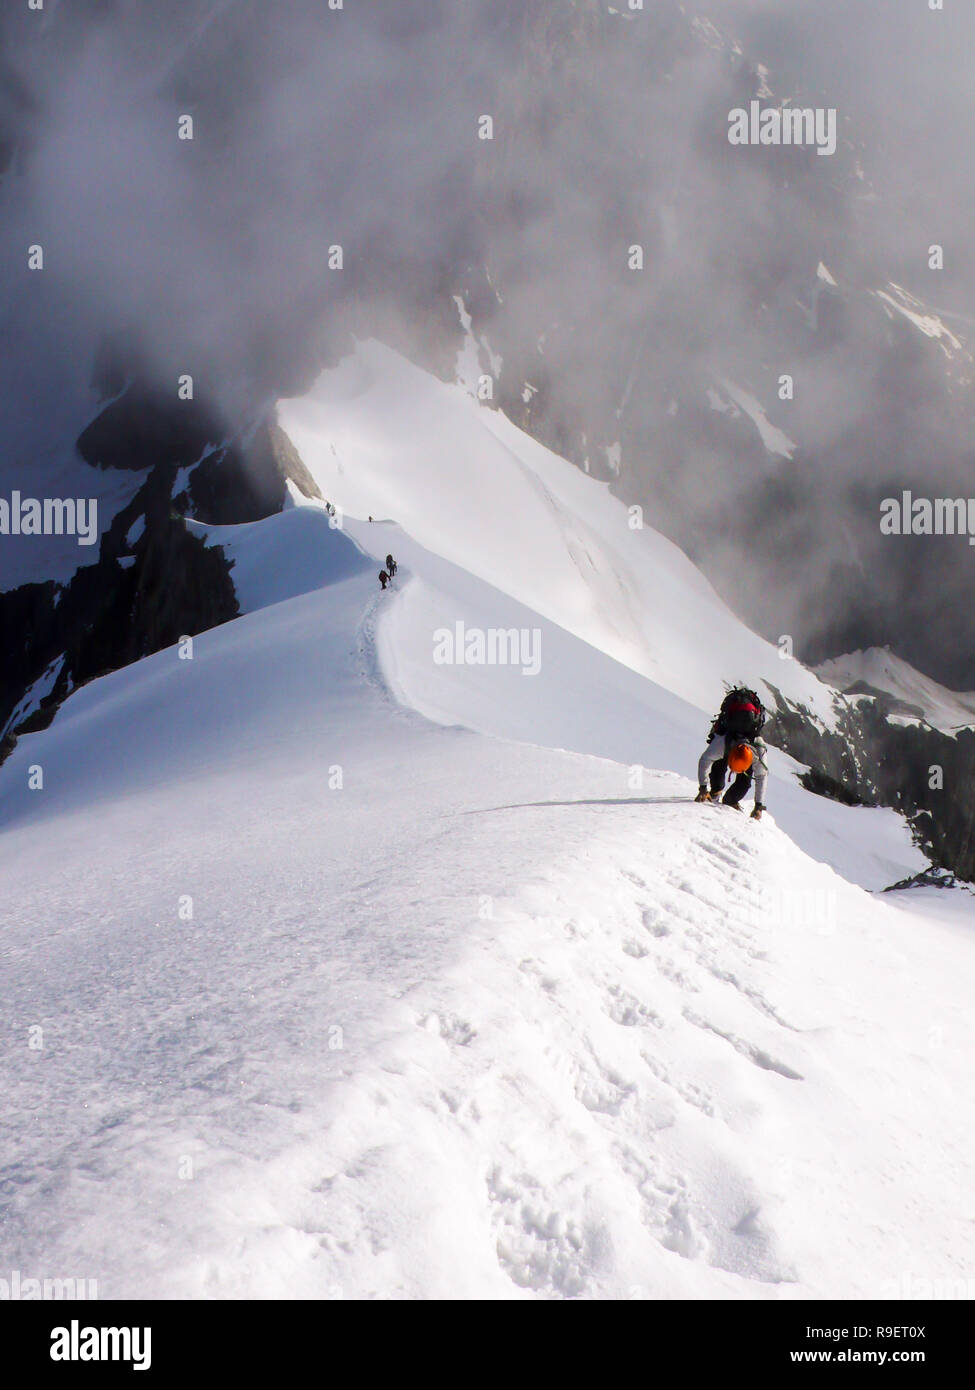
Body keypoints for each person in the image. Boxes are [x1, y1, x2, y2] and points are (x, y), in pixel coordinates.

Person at [695, 686, 769, 820]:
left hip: (735, 749)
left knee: (740, 780)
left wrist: (758, 805)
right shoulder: (721, 744)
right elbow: (704, 761)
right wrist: (703, 788)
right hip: (728, 741)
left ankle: (725, 797)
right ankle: (719, 793)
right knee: (739, 780)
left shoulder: (759, 752)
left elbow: (762, 777)